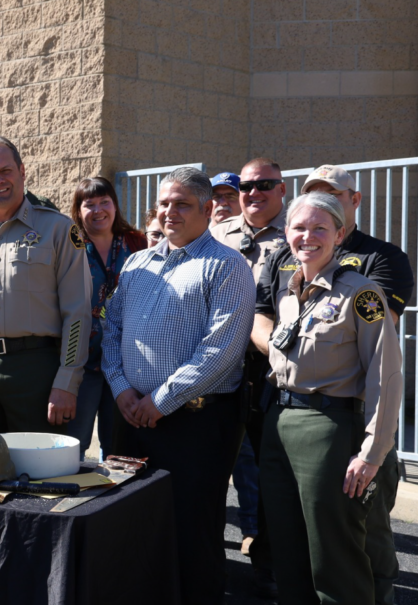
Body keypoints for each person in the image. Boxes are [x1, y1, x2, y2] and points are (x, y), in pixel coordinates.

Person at [257, 164, 414, 605]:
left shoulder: (361, 293)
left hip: (328, 430)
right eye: (298, 227)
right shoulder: (289, 292)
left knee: (333, 555)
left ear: (339, 235)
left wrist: (371, 453)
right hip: (280, 423)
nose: (307, 236)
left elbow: (385, 376)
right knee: (288, 549)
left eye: (319, 228)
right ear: (286, 233)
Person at [102, 166, 253, 605]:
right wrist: (120, 389)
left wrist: (161, 401)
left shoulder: (227, 266)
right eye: (164, 203)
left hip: (197, 422)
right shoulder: (136, 263)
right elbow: (110, 330)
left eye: (182, 204)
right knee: (131, 520)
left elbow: (221, 350)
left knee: (192, 527)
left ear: (207, 210)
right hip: (131, 415)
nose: (170, 212)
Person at [0, 136, 91, 434]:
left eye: (6, 171)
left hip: (37, 370)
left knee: (36, 472)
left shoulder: (58, 229)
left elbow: (78, 314)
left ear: (22, 172)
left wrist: (67, 381)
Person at [210, 158, 287, 595]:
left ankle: (268, 567)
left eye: (265, 184)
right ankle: (207, 562)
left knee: (268, 473)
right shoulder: (218, 234)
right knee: (210, 468)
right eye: (247, 186)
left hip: (269, 373)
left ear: (282, 188)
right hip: (216, 369)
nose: (254, 192)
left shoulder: (298, 235)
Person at [66, 177, 146, 460]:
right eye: (89, 204)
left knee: (119, 444)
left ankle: (114, 502)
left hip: (127, 364)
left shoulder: (137, 242)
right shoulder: (68, 245)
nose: (98, 210)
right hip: (80, 362)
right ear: (78, 210)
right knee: (73, 441)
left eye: (105, 202)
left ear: (115, 205)